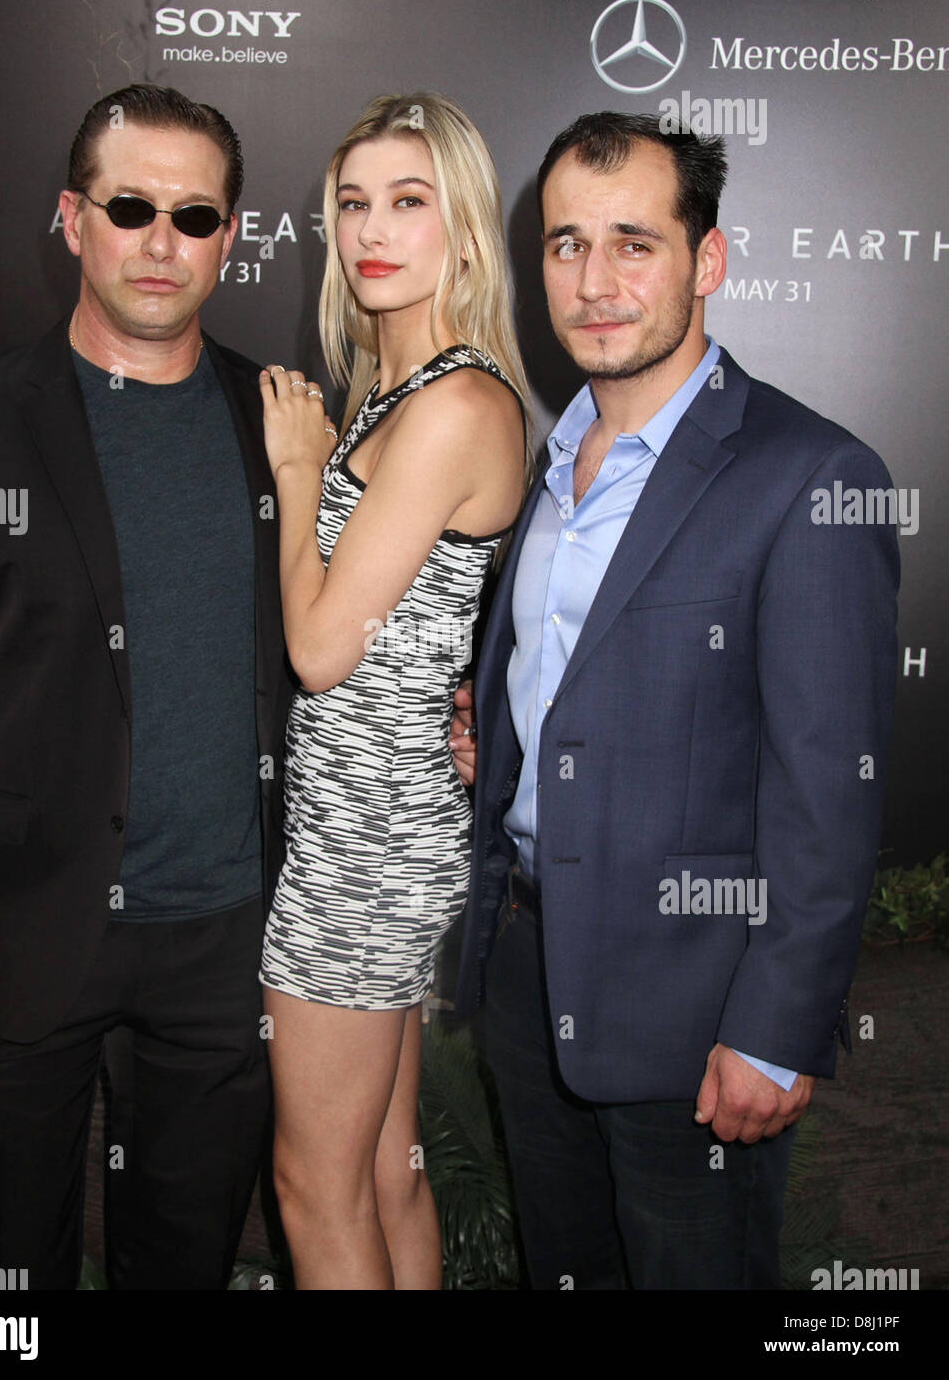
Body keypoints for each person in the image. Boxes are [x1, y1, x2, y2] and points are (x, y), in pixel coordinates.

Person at [450, 112, 899, 1289]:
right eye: (564, 245)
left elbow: (828, 790)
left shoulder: (810, 476)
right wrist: (497, 741)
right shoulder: (552, 468)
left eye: (633, 244)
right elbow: (576, 687)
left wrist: (776, 1026)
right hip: (527, 978)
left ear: (707, 262)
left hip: (699, 1018)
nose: (594, 284)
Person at [0, 84, 290, 1289]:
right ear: (72, 219)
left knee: (190, 1265)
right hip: (8, 939)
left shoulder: (282, 419)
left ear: (231, 235)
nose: (161, 242)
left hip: (227, 949)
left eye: (195, 215)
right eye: (129, 207)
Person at [257, 91, 528, 1290]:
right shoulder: (393, 387)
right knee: (380, 1170)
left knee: (315, 1189)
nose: (374, 228)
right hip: (380, 829)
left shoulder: (453, 406)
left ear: (463, 231)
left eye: (409, 202)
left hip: (363, 854)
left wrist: (302, 472)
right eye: (353, 203)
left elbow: (321, 650)